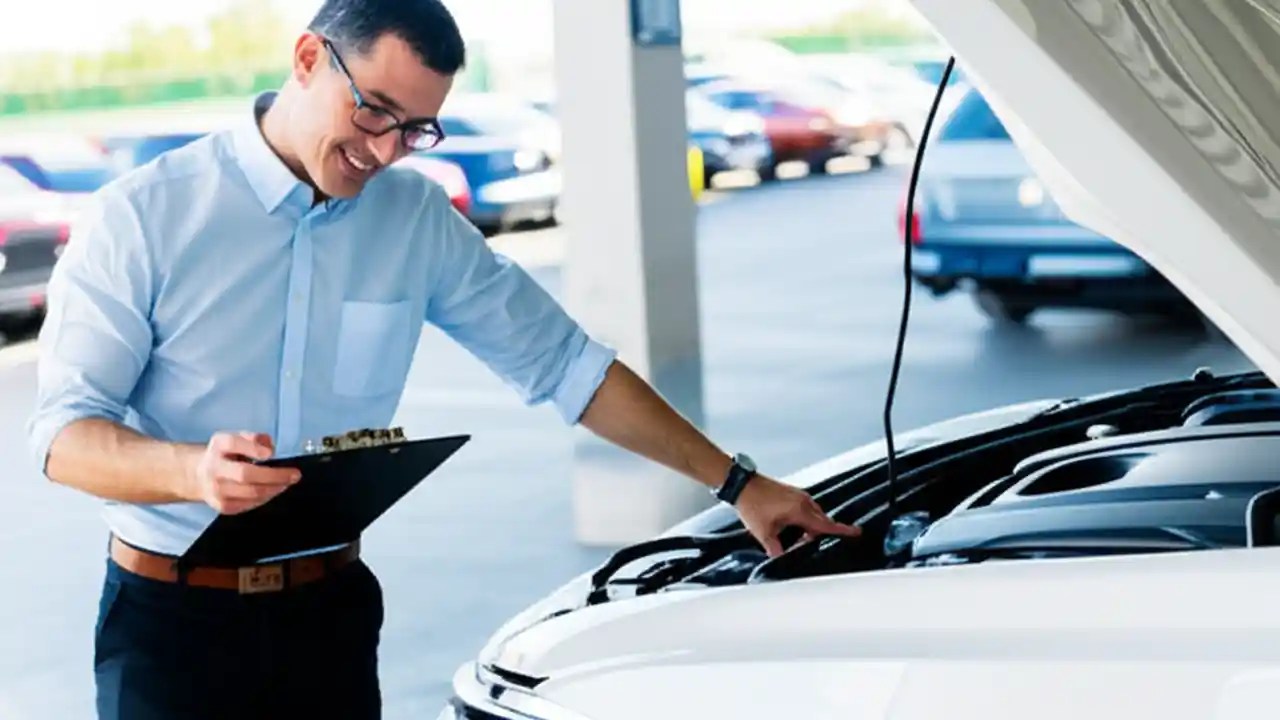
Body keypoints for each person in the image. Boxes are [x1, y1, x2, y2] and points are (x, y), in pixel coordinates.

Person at [27, 0, 861, 717]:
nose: (387, 150)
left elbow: (570, 367)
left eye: (415, 127)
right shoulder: (143, 216)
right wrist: (190, 471)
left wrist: (742, 486)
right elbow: (63, 436)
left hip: (330, 617)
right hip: (172, 630)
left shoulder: (414, 220)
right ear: (309, 59)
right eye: (374, 111)